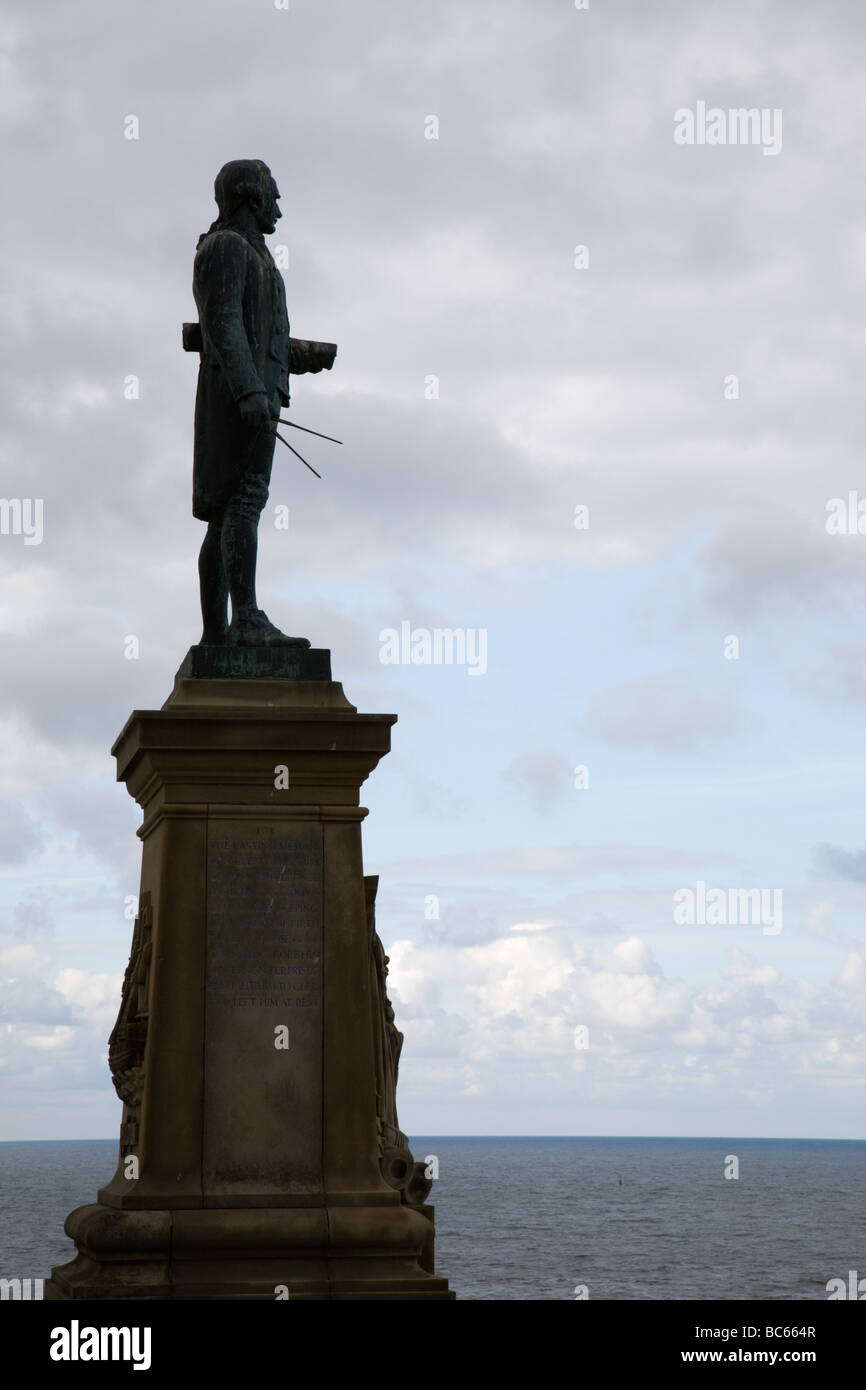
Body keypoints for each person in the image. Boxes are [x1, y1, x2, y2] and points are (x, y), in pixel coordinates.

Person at [190, 159, 333, 646]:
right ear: (251, 196)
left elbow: (257, 335)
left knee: (230, 510)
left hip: (252, 395)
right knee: (241, 503)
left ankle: (219, 638)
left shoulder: (252, 255)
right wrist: (250, 390)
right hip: (240, 399)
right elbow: (224, 324)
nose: (279, 205)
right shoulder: (227, 248)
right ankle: (243, 620)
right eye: (273, 193)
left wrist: (304, 355)